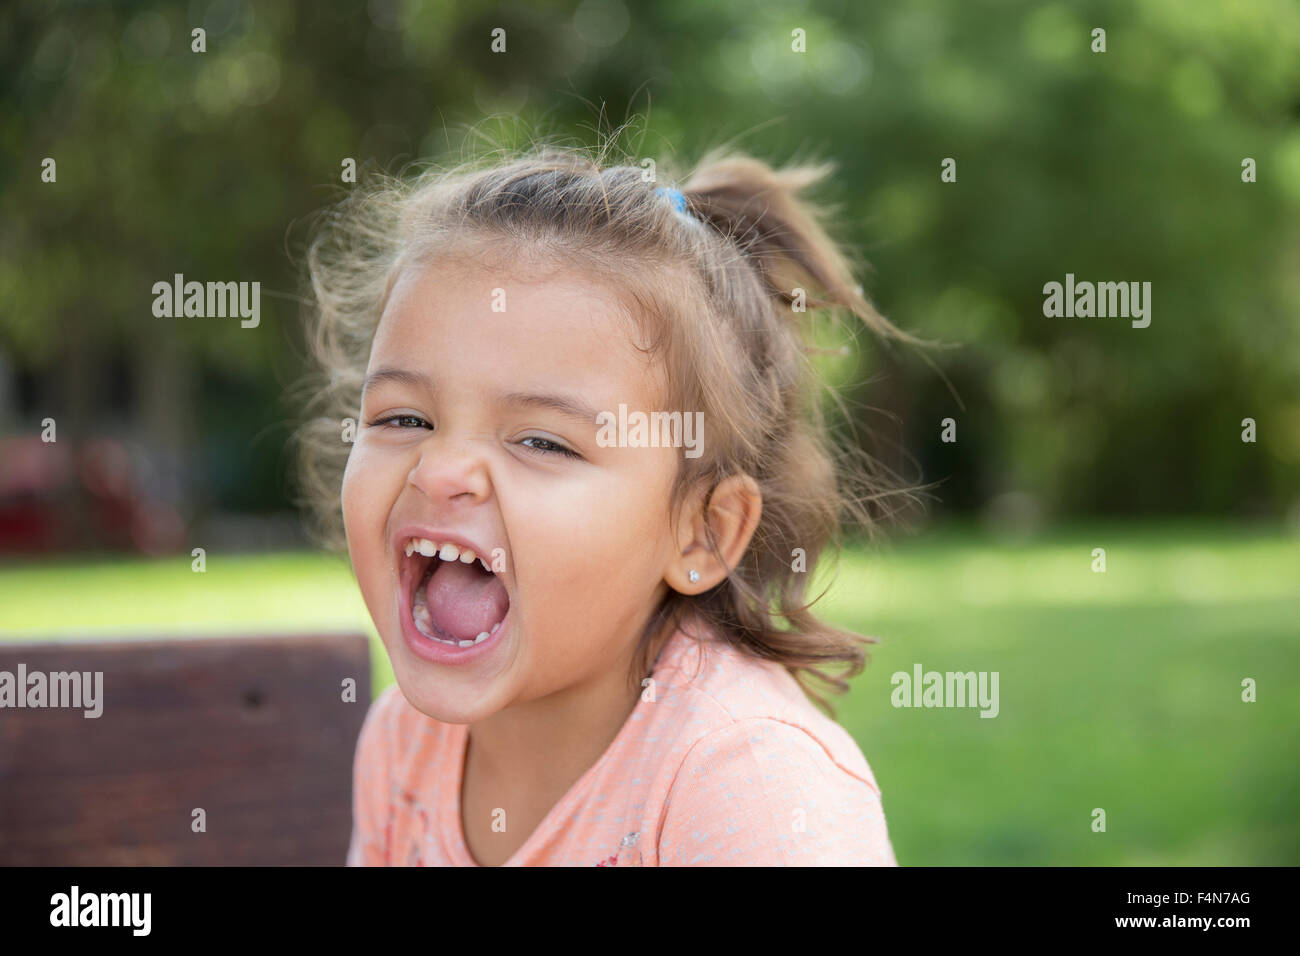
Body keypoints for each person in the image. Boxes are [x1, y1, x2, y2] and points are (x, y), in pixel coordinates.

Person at [296, 136, 916, 866]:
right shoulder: (405, 743)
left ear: (702, 535)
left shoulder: (746, 784)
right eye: (404, 419)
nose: (441, 469)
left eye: (542, 442)